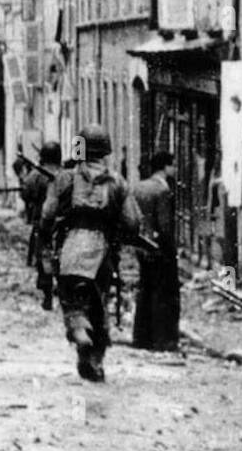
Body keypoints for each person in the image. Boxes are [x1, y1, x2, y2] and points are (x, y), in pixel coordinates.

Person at [38, 125, 143, 383]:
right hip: (102, 253)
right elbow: (132, 222)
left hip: (70, 248)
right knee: (99, 303)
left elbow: (47, 214)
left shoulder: (65, 178)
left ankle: (78, 327)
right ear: (106, 151)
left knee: (71, 299)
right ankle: (94, 359)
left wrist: (46, 237)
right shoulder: (117, 181)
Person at [133, 151, 181, 351]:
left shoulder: (139, 187)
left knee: (145, 289)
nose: (175, 169)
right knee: (163, 293)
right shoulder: (162, 190)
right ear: (165, 167)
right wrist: (170, 250)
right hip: (159, 248)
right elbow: (165, 226)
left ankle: (142, 337)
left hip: (142, 245)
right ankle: (163, 339)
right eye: (173, 165)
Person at [20, 142, 62, 310]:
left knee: (44, 257)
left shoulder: (36, 175)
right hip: (62, 223)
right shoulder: (65, 174)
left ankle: (47, 295)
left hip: (42, 223)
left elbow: (25, 194)